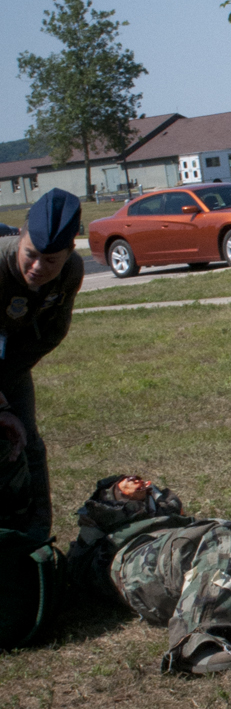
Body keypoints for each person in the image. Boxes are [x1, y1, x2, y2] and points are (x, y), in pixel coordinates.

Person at [67, 475, 231, 673]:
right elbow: (78, 570)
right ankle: (193, 643)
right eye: (124, 481)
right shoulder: (99, 525)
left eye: (141, 479)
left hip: (188, 547)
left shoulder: (170, 513)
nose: (138, 479)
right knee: (227, 535)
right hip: (138, 558)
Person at [0, 188, 85, 542]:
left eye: (51, 261)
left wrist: (8, 385)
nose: (38, 268)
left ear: (69, 253)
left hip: (11, 362)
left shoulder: (71, 272)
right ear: (19, 237)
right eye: (31, 255)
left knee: (26, 442)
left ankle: (32, 545)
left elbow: (51, 333)